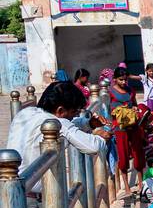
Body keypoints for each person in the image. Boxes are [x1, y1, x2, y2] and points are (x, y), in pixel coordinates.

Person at [5, 82, 108, 198]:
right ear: (60, 110)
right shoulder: (56, 123)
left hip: (10, 186)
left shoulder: (25, 113)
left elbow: (68, 126)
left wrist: (88, 124)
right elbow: (92, 146)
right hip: (31, 196)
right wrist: (101, 137)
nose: (74, 117)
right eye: (74, 112)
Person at [105, 67, 145, 196]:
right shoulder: (109, 92)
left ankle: (140, 184)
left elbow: (135, 104)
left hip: (133, 125)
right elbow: (107, 111)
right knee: (123, 156)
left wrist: (134, 109)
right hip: (119, 127)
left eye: (125, 80)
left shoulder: (131, 91)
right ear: (115, 79)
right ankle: (127, 187)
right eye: (121, 80)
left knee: (138, 153)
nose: (123, 82)